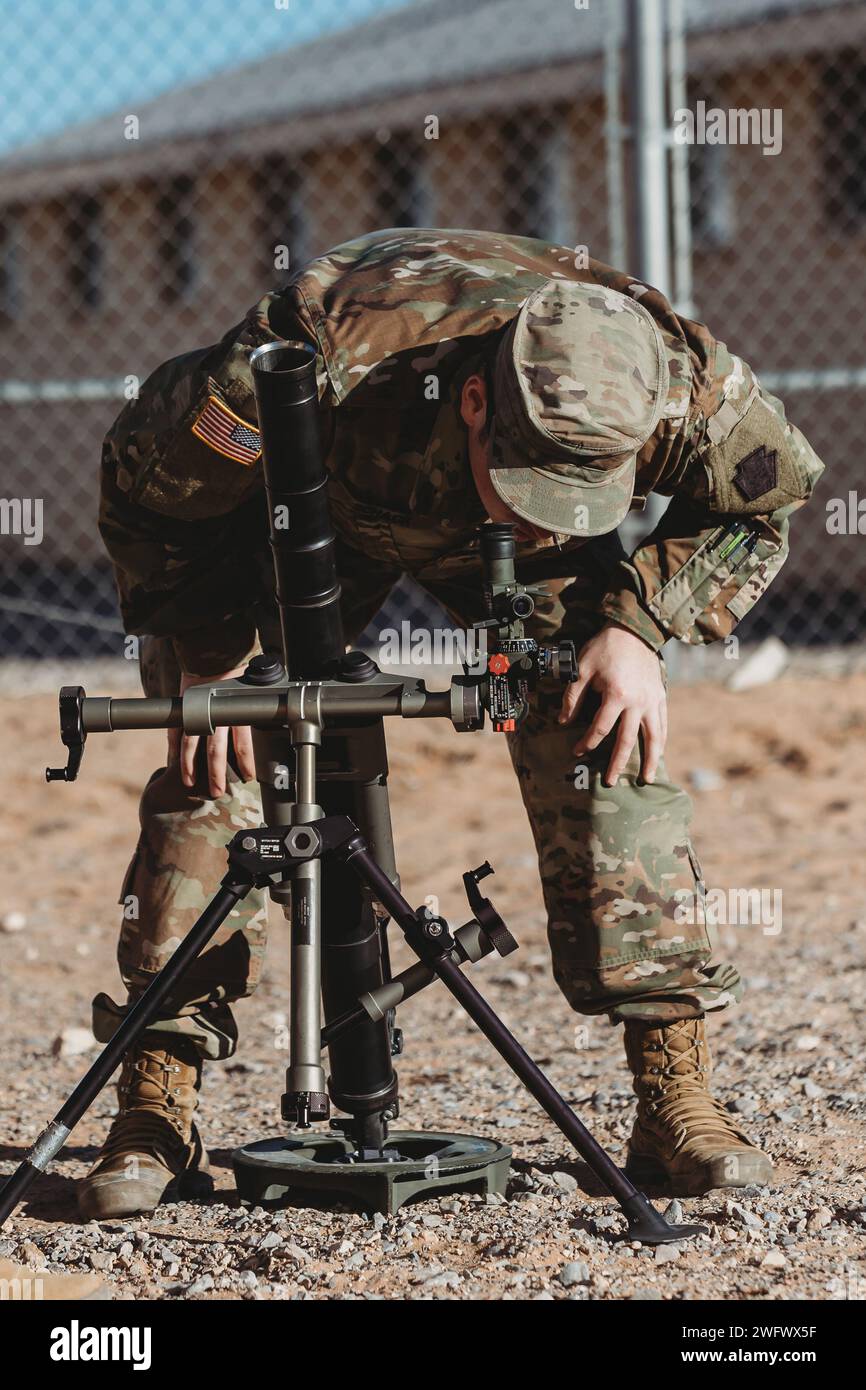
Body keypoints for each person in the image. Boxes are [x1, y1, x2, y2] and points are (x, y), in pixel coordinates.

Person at [81, 228, 824, 1218]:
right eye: (534, 488)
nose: (550, 521)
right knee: (220, 736)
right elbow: (144, 478)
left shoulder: (676, 382)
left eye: (578, 494)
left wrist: (642, 623)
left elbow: (768, 498)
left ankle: (673, 1096)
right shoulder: (297, 361)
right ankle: (154, 1101)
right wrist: (199, 639)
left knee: (603, 720)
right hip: (320, 502)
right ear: (475, 403)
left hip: (494, 557)